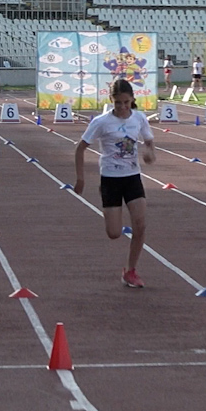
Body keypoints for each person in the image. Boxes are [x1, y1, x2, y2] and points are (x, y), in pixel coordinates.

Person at [74, 78, 156, 288]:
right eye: (118, 103)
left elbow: (148, 140)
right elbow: (80, 148)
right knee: (114, 233)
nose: (122, 107)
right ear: (111, 100)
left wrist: (149, 152)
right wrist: (81, 178)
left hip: (132, 177)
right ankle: (108, 206)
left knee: (140, 225)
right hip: (110, 179)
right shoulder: (101, 122)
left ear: (132, 100)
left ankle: (130, 270)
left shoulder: (138, 118)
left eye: (126, 102)